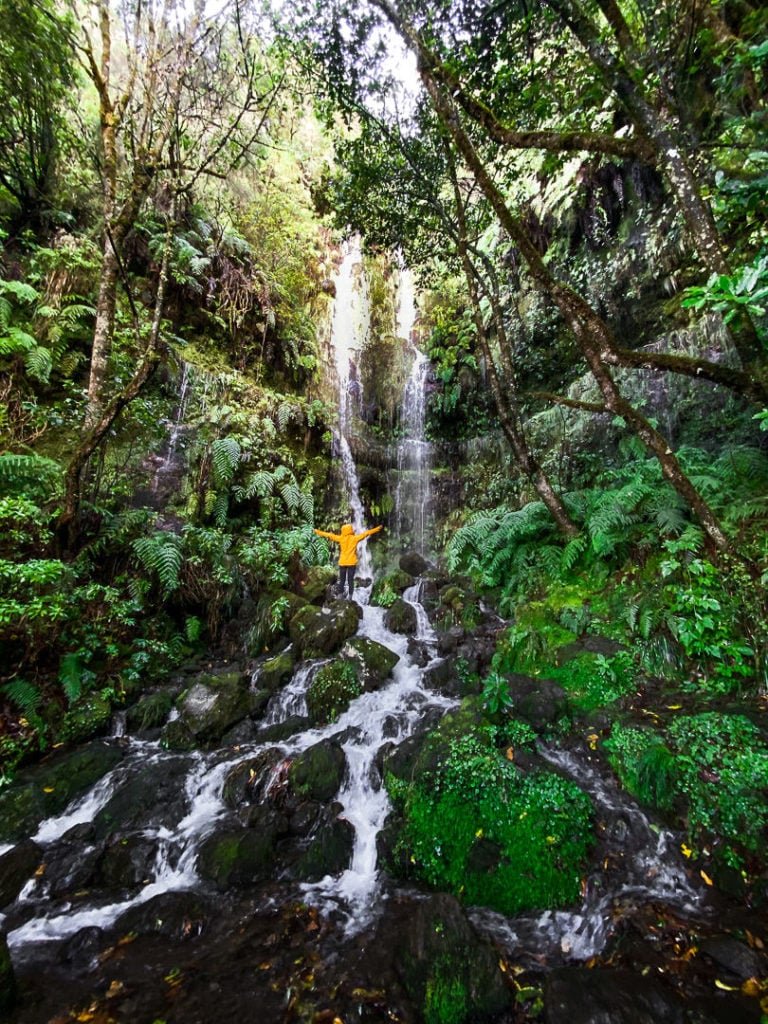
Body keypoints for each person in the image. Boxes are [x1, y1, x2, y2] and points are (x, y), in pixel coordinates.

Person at [313, 521, 383, 599]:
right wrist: (377, 528)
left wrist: (317, 531)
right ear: (350, 530)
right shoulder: (355, 538)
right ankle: (350, 596)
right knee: (350, 580)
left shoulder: (341, 538)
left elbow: (329, 535)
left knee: (342, 580)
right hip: (351, 563)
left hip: (342, 563)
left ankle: (340, 595)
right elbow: (366, 533)